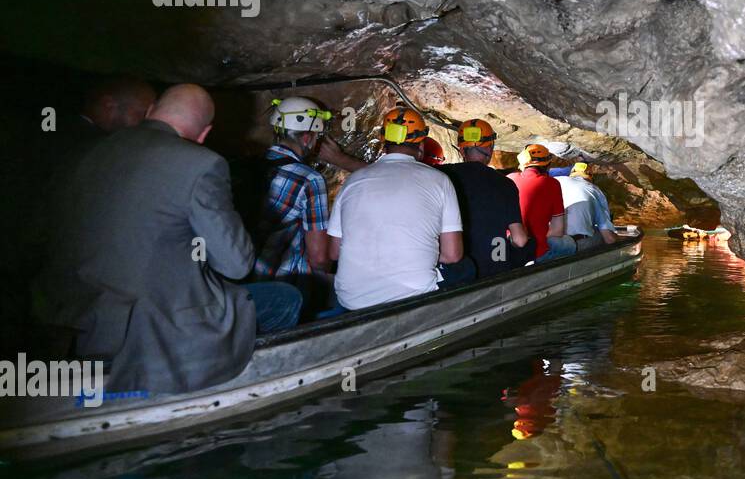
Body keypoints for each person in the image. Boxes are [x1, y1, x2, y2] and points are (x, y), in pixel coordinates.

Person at [36, 84, 302, 394]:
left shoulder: (86, 152)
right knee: (284, 298)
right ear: (204, 133)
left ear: (151, 113)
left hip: (75, 317)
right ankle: (238, 389)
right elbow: (236, 264)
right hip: (151, 328)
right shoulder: (202, 164)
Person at [327, 107, 471, 310]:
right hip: (415, 293)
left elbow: (333, 253)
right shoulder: (440, 180)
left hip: (352, 300)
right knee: (466, 267)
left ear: (384, 142)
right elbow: (452, 255)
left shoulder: (352, 181)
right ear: (421, 145)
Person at [251, 97, 350, 316]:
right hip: (284, 288)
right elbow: (318, 257)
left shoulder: (247, 166)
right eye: (316, 138)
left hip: (244, 281)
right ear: (306, 137)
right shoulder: (309, 179)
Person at [441, 119, 531, 278]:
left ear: (461, 149)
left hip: (458, 269)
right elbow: (520, 240)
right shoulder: (505, 184)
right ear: (490, 148)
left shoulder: (443, 176)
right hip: (495, 263)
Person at [508, 144, 577, 263]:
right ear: (547, 166)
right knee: (569, 243)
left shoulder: (509, 179)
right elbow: (557, 231)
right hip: (536, 253)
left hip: (510, 250)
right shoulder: (552, 184)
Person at [557, 162, 619, 252]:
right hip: (576, 243)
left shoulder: (557, 181)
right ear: (590, 176)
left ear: (572, 173)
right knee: (602, 235)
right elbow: (608, 237)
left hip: (549, 242)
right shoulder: (593, 189)